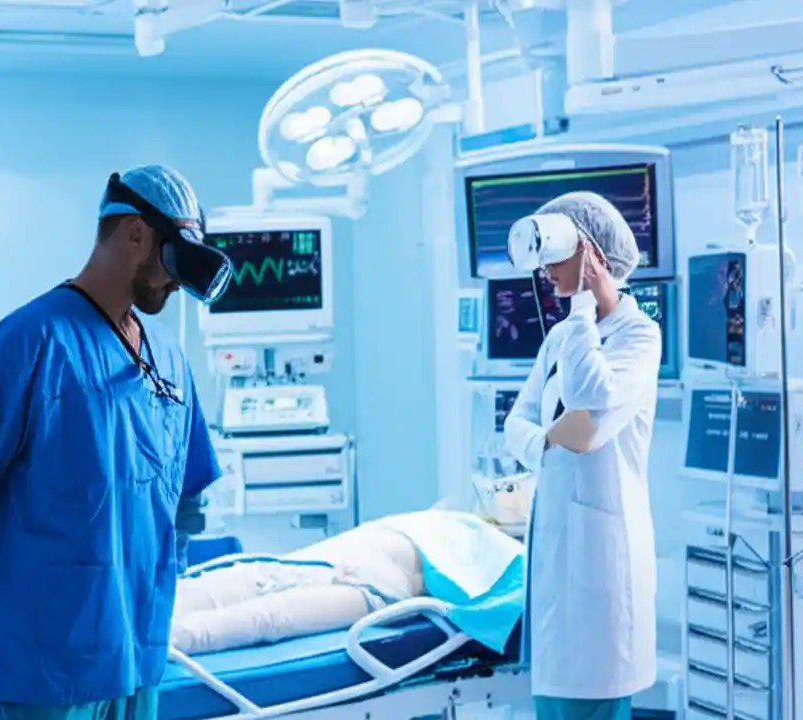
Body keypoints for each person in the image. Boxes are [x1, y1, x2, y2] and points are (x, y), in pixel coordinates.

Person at [0, 165, 229, 720]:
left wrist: (150, 586)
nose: (176, 283)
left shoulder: (169, 359)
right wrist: (5, 599)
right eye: (175, 261)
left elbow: (186, 502)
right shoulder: (25, 346)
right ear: (134, 235)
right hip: (39, 666)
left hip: (136, 655)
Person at [503, 191, 661, 720]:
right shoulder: (559, 343)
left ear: (591, 253)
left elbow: (590, 409)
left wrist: (585, 307)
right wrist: (548, 439)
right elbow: (516, 425)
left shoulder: (639, 336)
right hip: (556, 562)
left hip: (601, 568)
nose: (546, 268)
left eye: (557, 251)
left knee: (590, 703)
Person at [170, 509, 524, 656]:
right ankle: (152, 636)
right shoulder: (471, 524)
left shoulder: (515, 561)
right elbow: (487, 617)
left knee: (262, 594)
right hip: (362, 568)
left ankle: (153, 639)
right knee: (263, 600)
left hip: (373, 578)